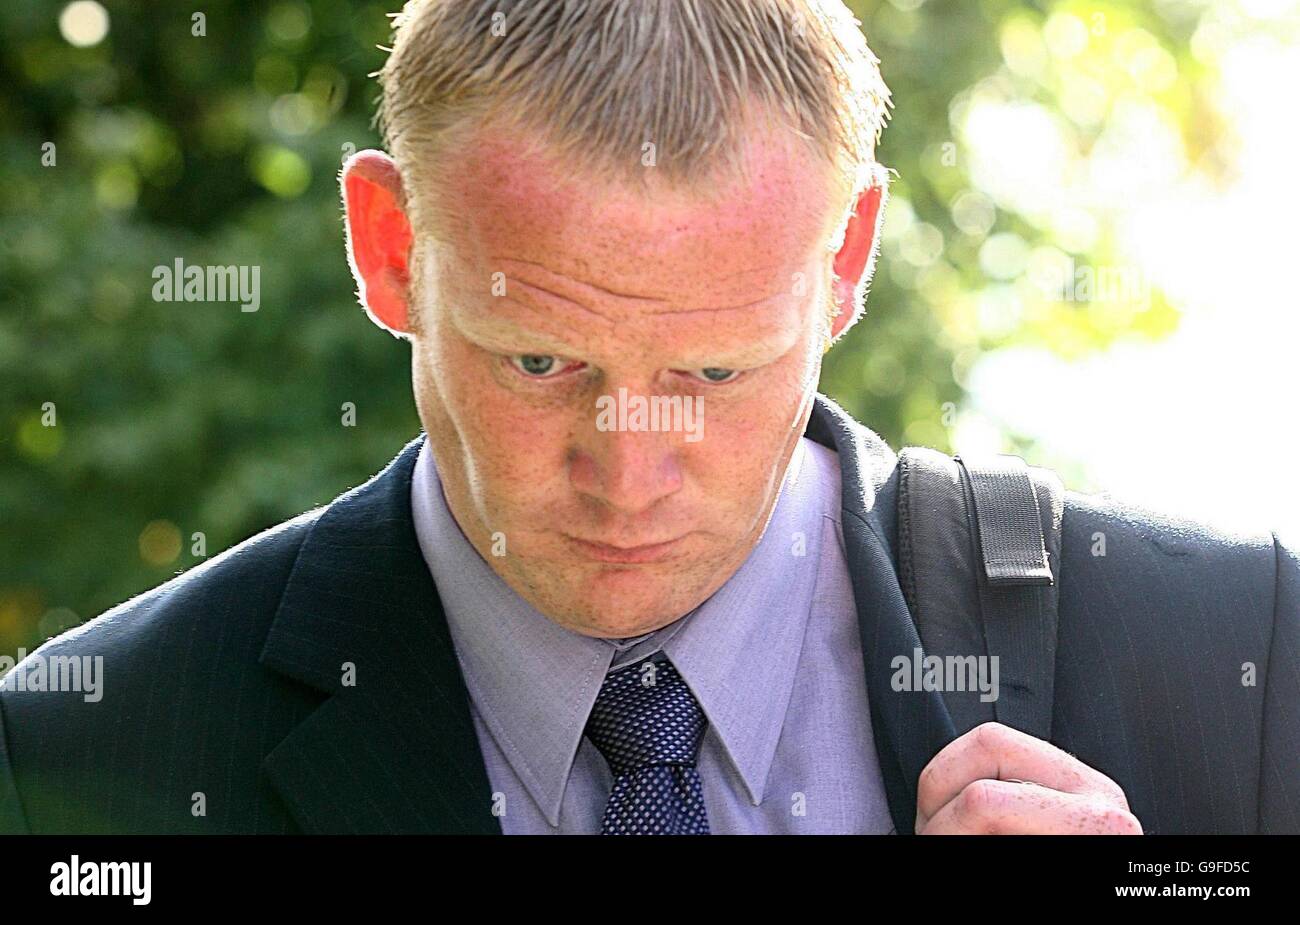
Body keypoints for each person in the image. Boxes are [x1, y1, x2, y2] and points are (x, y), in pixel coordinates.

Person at [1, 0, 1295, 835]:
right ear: (389, 248)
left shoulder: (1245, 662)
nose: (625, 475)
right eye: (540, 360)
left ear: (846, 260)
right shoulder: (79, 755)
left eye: (713, 372)